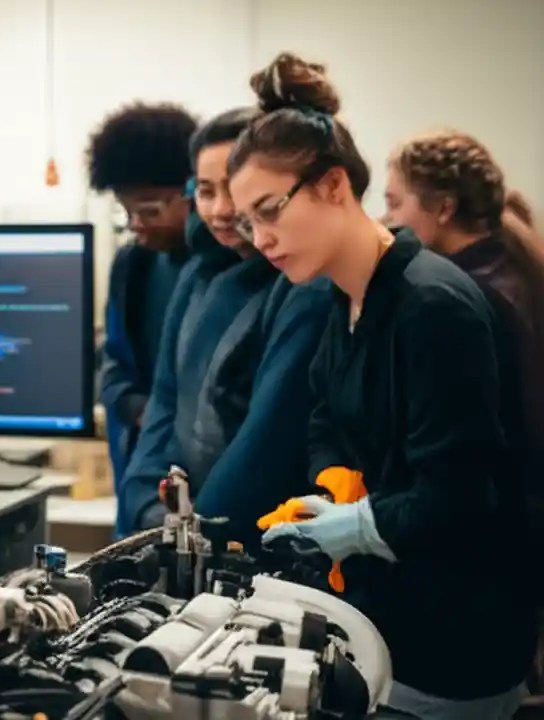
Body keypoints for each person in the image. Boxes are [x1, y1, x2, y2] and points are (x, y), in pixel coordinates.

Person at [230, 53, 534, 718]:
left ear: (334, 185)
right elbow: (325, 418)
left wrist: (361, 525)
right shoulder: (347, 300)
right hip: (388, 622)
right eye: (247, 221)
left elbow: (459, 493)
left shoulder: (433, 306)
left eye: (269, 210)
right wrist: (336, 480)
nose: (260, 238)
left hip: (457, 641)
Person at [118, 108, 332, 542]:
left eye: (232, 190)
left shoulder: (302, 286)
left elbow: (263, 451)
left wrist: (197, 540)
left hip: (246, 543)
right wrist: (144, 505)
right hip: (177, 533)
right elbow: (165, 404)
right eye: (205, 190)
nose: (220, 211)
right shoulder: (198, 275)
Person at [384, 130, 544, 710]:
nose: (386, 219)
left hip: (481, 586)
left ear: (444, 207)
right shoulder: (513, 274)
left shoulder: (461, 302)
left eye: (395, 202)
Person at [86, 103, 197, 501]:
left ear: (195, 190)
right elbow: (114, 365)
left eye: (150, 210)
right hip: (143, 472)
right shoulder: (131, 267)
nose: (136, 225)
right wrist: (143, 411)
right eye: (127, 210)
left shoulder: (226, 276)